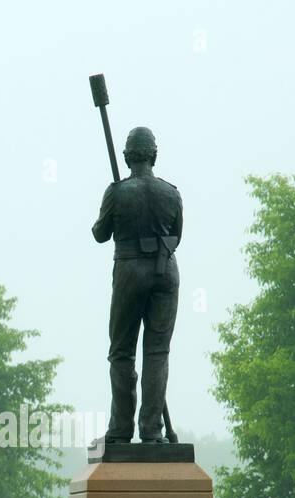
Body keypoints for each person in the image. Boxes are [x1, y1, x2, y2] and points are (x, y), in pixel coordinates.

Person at [91, 126, 183, 443]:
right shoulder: (172, 193)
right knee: (157, 353)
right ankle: (152, 431)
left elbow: (100, 234)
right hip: (165, 271)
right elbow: (177, 236)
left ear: (127, 156)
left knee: (121, 352)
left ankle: (119, 430)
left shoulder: (116, 192)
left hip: (130, 271)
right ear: (154, 155)